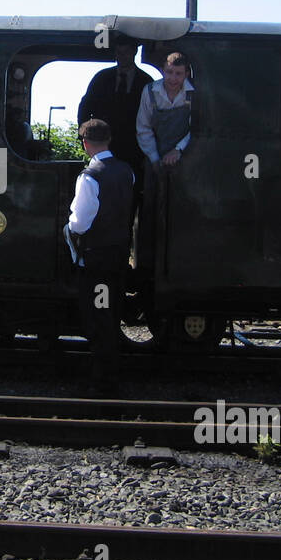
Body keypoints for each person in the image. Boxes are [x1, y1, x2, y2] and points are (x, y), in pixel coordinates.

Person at [64, 119, 134, 392]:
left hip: (96, 259)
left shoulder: (89, 176)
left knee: (98, 316)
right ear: (109, 139)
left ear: (85, 143)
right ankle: (107, 372)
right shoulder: (127, 171)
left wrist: (67, 229)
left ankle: (104, 379)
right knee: (110, 312)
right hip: (117, 254)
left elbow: (80, 223)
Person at [134, 52, 194, 276]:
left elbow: (196, 128)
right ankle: (147, 268)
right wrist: (155, 158)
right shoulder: (149, 92)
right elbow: (143, 128)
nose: (173, 78)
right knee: (150, 210)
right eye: (169, 72)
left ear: (186, 73)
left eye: (179, 74)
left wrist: (178, 150)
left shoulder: (194, 95)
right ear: (163, 70)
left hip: (186, 159)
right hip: (154, 158)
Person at [78, 41, 153, 173]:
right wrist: (85, 136)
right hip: (103, 146)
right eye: (119, 52)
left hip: (135, 148)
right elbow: (85, 107)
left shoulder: (146, 81)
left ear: (134, 52)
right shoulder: (101, 78)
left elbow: (152, 118)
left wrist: (149, 152)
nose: (122, 56)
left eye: (126, 53)